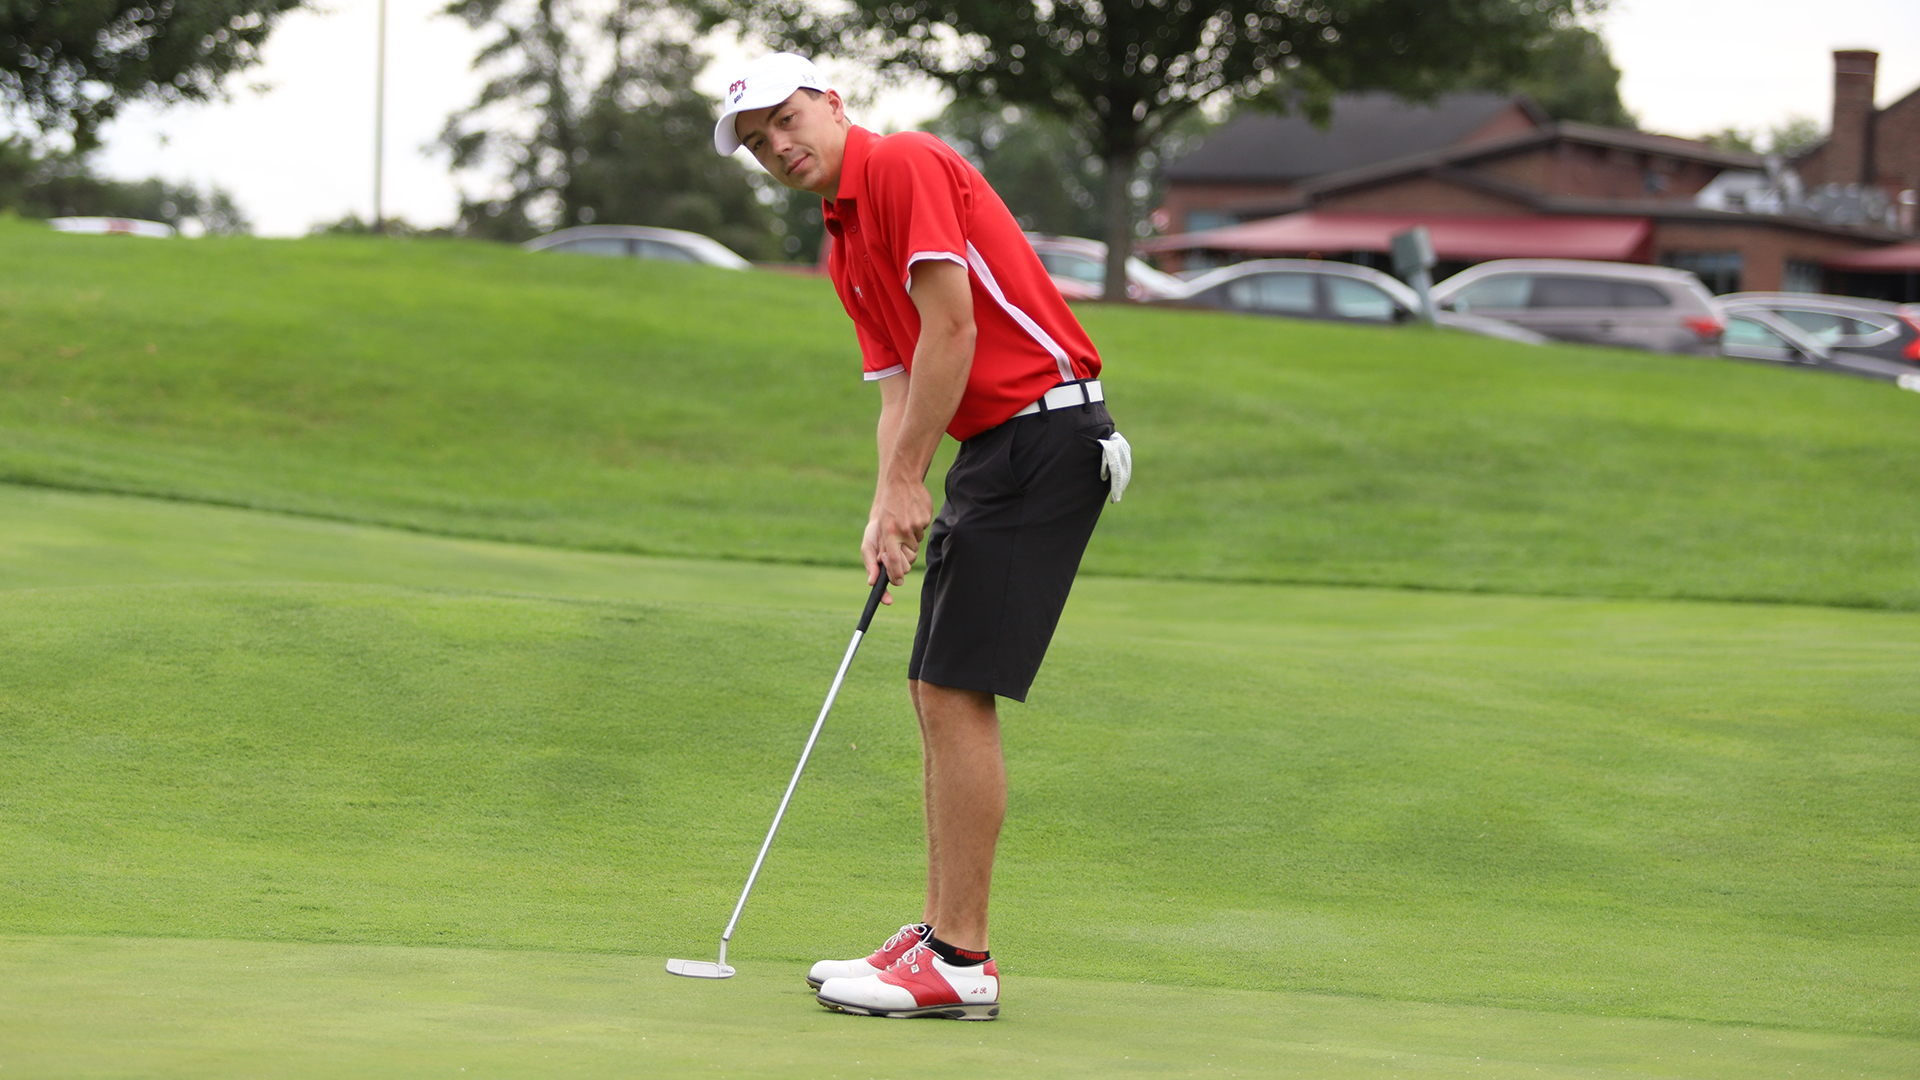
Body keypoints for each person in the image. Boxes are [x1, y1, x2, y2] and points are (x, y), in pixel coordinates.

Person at [714, 52, 1129, 1021]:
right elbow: (902, 384)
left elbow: (954, 332)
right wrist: (883, 506)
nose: (777, 143)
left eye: (786, 117)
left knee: (954, 687)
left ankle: (961, 960)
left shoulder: (899, 164)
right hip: (994, 446)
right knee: (931, 686)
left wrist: (912, 479)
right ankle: (940, 938)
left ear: (831, 101)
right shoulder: (841, 240)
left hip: (1043, 431)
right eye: (756, 138)